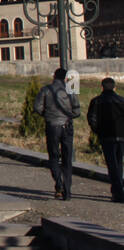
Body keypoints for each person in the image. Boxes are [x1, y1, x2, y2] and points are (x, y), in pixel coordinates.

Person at [35, 67, 82, 200]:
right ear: (66, 78)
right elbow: (77, 111)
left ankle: (59, 184)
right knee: (67, 159)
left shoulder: (45, 90)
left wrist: (48, 116)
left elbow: (37, 107)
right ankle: (68, 190)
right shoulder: (70, 90)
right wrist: (69, 116)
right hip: (67, 126)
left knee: (54, 157)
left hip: (52, 126)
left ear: (54, 77)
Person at [88, 78, 124, 202]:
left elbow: (92, 119)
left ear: (101, 87)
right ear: (115, 88)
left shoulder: (96, 101)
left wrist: (98, 131)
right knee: (119, 163)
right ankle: (118, 189)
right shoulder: (122, 101)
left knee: (112, 164)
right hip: (121, 137)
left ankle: (118, 191)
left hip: (106, 137)